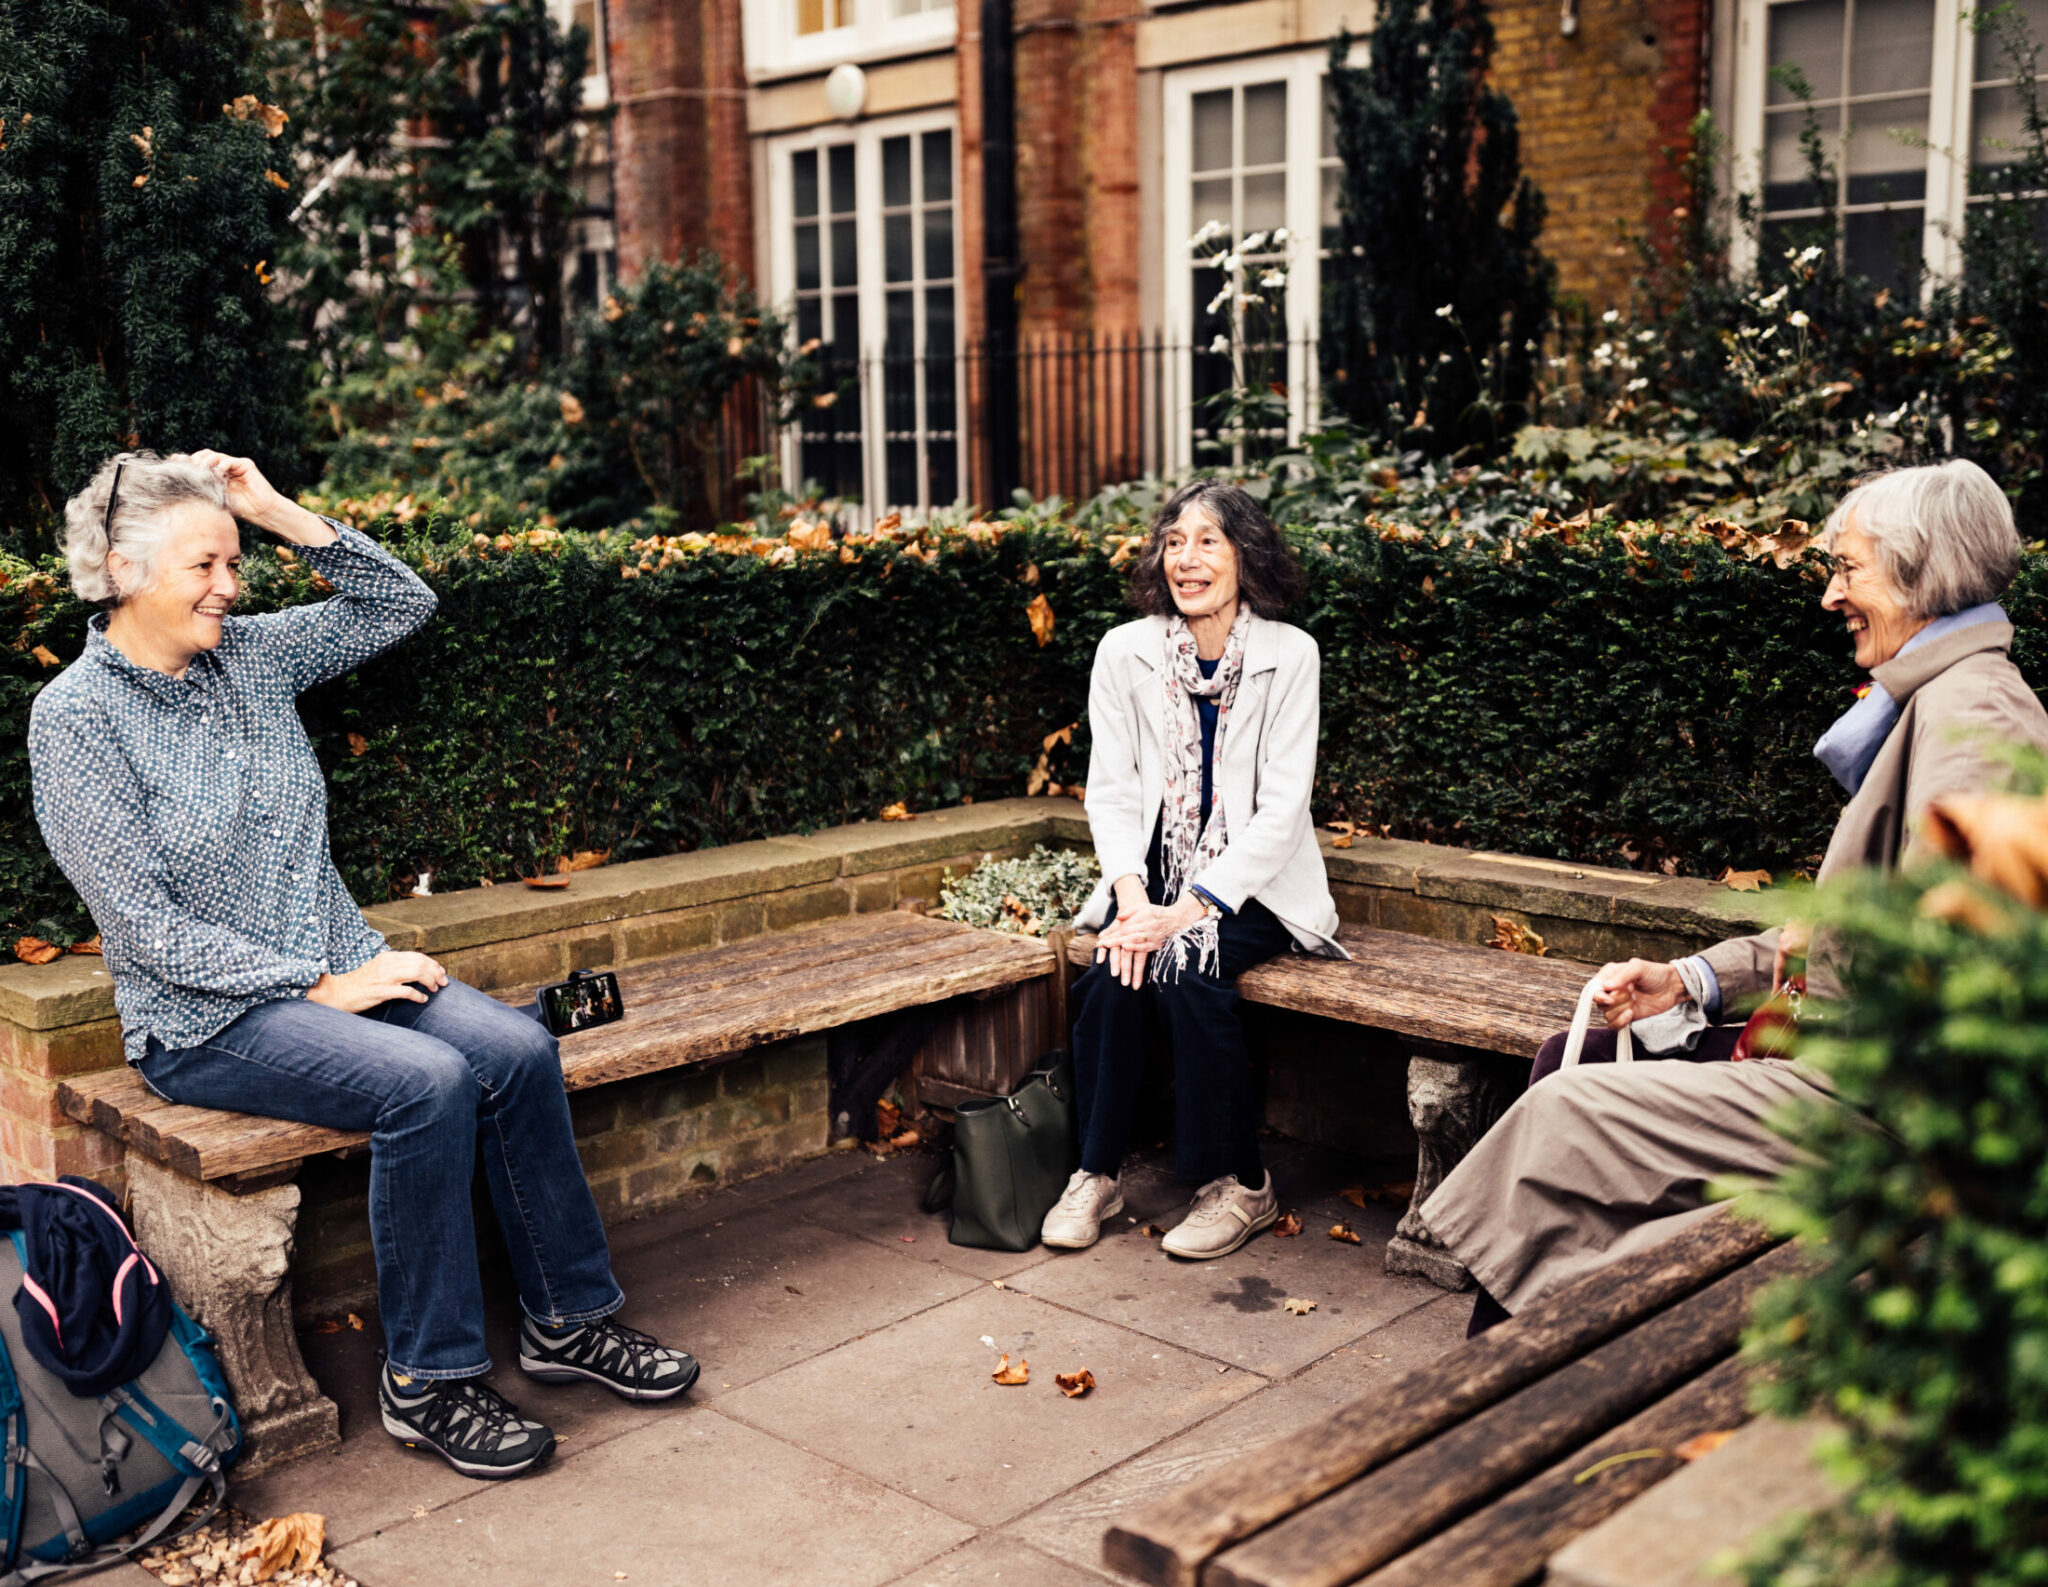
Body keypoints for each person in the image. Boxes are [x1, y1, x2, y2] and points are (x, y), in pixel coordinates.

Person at [28, 450, 698, 1480]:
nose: (230, 585)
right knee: (424, 1083)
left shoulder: (246, 655)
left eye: (234, 561)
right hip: (205, 1019)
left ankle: (567, 1320)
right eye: (206, 564)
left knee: (516, 1046)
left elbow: (401, 601)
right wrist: (315, 986)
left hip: (340, 968)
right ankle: (426, 1380)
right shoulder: (75, 719)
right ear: (123, 570)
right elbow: (146, 930)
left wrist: (268, 507)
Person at [1422, 459, 2048, 1333]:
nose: (1831, 595)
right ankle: (1543, 1363)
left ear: (1921, 573)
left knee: (1565, 1114)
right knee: (1575, 1061)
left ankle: (1509, 1389)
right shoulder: (1945, 698)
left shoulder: (1975, 718)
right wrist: (1691, 981)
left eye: (1848, 568)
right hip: (1848, 1076)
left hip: (1873, 1111)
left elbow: (1962, 985)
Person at [1042, 479, 1347, 1260]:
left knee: (1182, 965)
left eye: (1209, 540)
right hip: (1154, 876)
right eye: (1175, 541)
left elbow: (1282, 813)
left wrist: (1188, 911)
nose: (1188, 558)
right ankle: (1096, 1170)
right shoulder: (1127, 651)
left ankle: (1240, 1183)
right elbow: (1109, 792)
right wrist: (1134, 898)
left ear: (1246, 555)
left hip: (1256, 885)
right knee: (1115, 966)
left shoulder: (1291, 655)